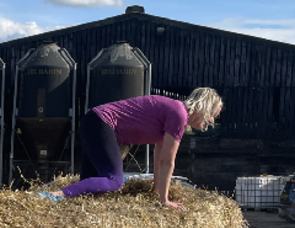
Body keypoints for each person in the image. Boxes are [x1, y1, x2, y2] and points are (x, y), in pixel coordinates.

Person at [37, 88, 223, 211]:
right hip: (102, 123)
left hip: (93, 121)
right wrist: (165, 201)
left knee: (90, 189)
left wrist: (158, 194)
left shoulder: (174, 113)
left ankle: (51, 201)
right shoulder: (179, 114)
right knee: (114, 181)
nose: (212, 121)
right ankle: (54, 195)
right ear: (204, 107)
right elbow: (168, 161)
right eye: (213, 115)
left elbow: (160, 158)